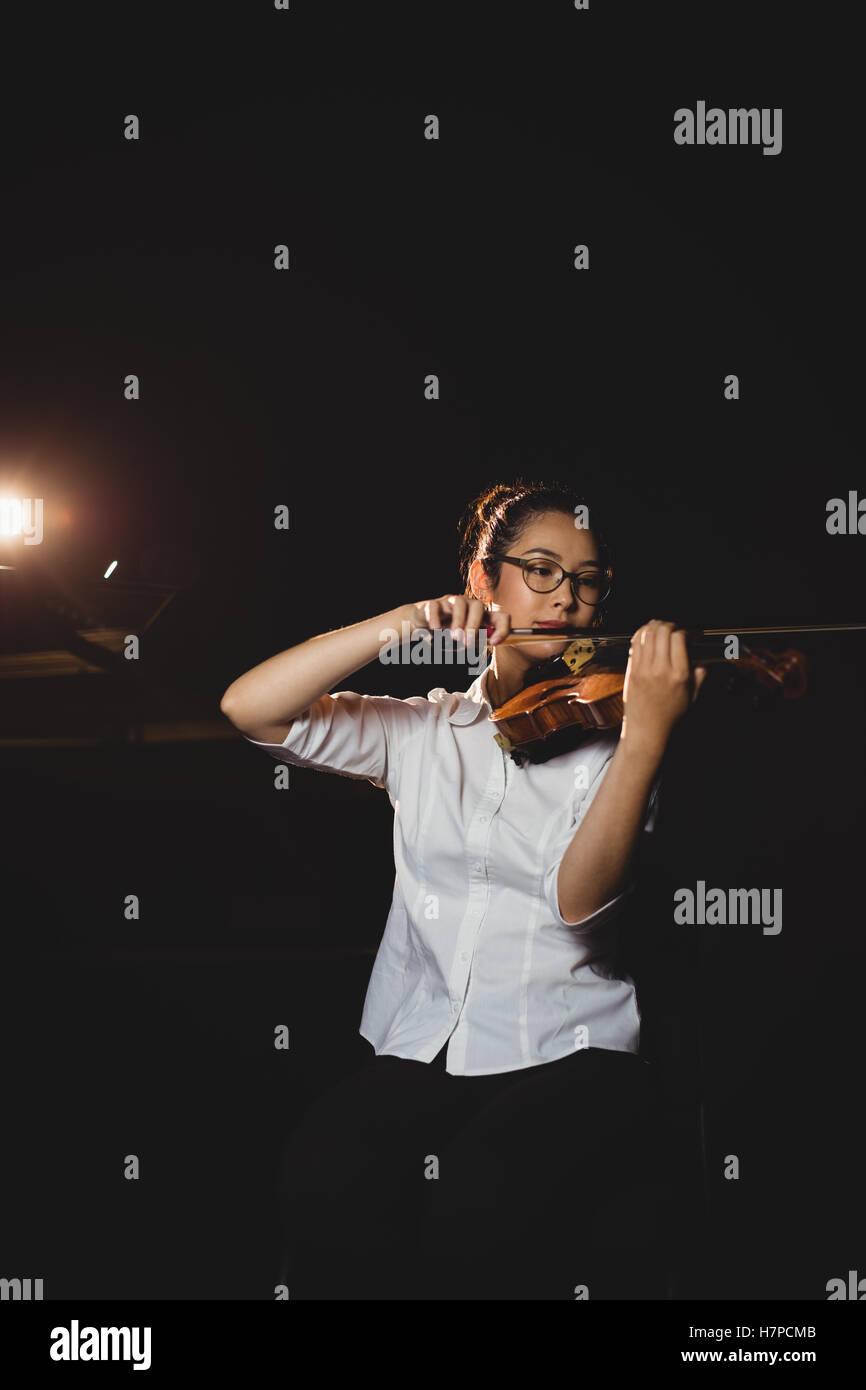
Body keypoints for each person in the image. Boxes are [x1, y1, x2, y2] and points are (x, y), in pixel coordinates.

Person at [220, 478, 707, 1300]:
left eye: (587, 582)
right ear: (485, 583)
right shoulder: (423, 728)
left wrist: (649, 740)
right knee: (321, 1176)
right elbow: (249, 708)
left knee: (476, 1209)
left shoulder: (618, 734)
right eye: (541, 571)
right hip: (421, 1041)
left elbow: (576, 906)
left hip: (570, 1048)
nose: (567, 599)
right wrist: (403, 623)